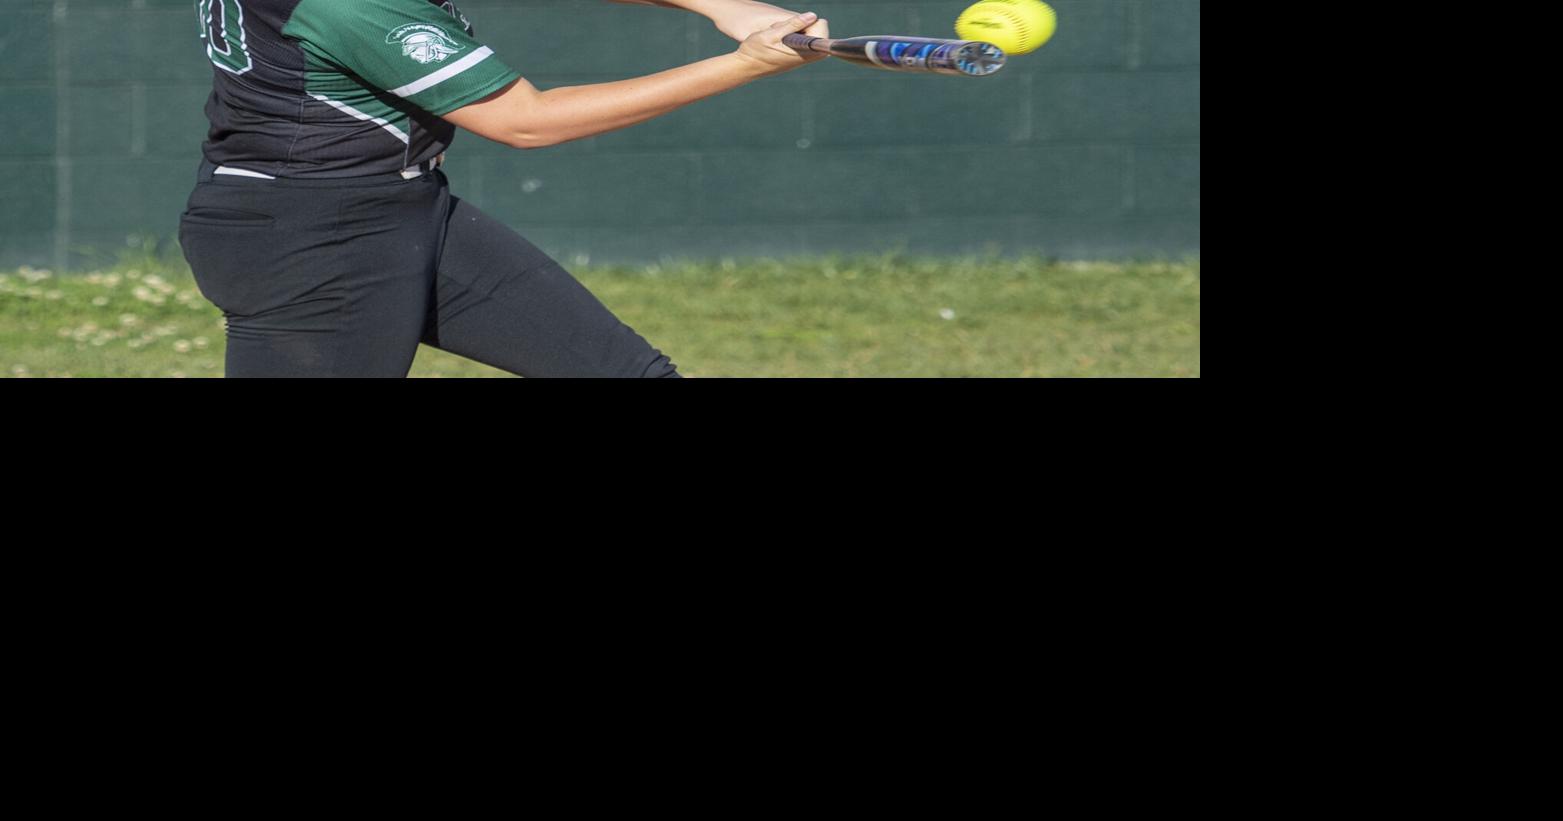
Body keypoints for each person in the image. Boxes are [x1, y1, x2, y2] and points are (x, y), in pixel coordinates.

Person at [179, 0, 829, 377]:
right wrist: (745, 65)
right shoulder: (352, 3)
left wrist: (717, 4)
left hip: (404, 210)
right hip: (308, 241)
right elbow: (526, 122)